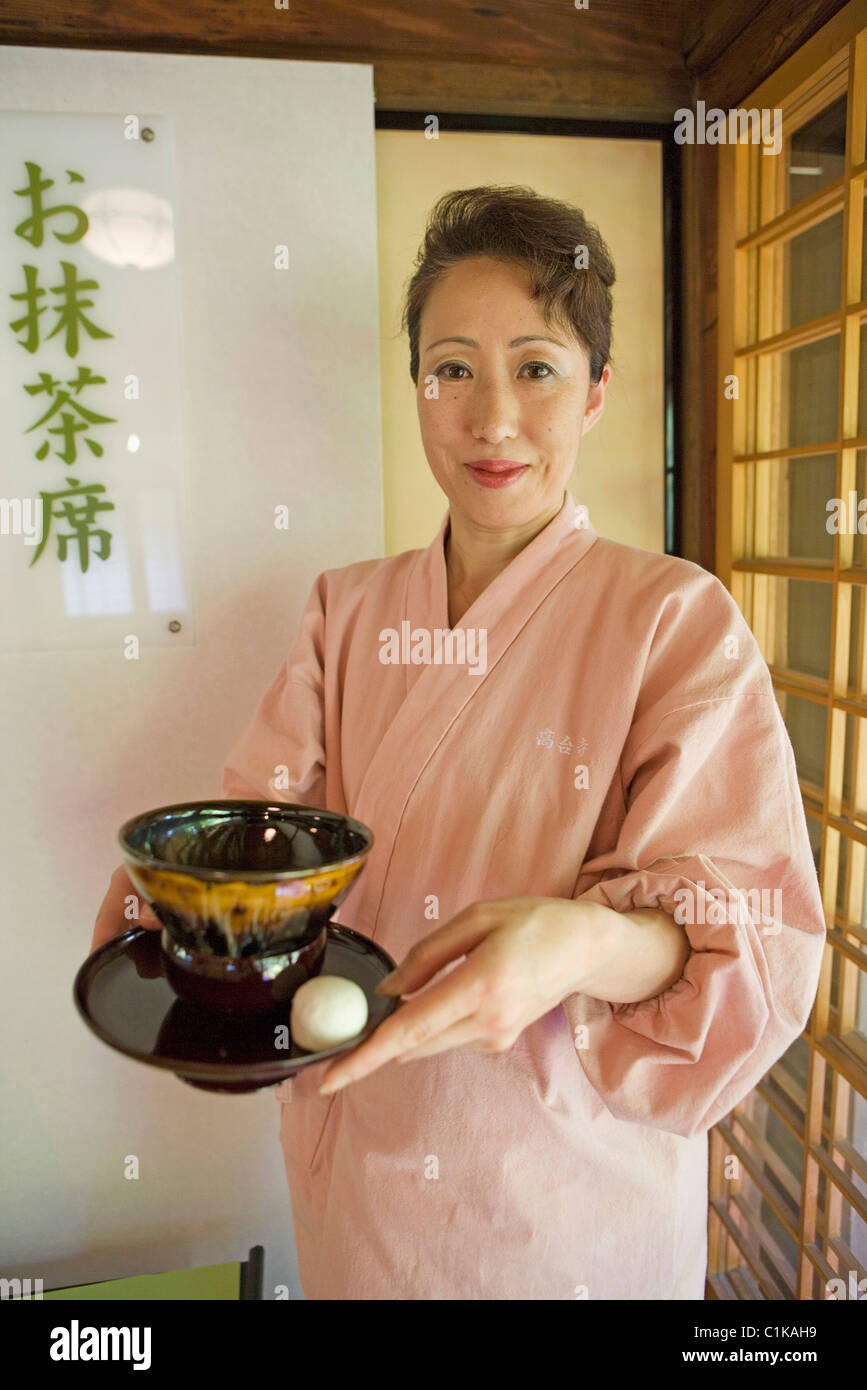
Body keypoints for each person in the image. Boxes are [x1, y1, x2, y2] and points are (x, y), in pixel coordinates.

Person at [93, 186, 827, 1300]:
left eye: (536, 367)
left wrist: (577, 942)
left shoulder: (673, 619)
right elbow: (258, 839)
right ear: (417, 386)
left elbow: (749, 940)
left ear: (595, 394)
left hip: (568, 1191)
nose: (492, 419)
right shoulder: (345, 610)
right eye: (453, 368)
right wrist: (184, 908)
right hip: (363, 1168)